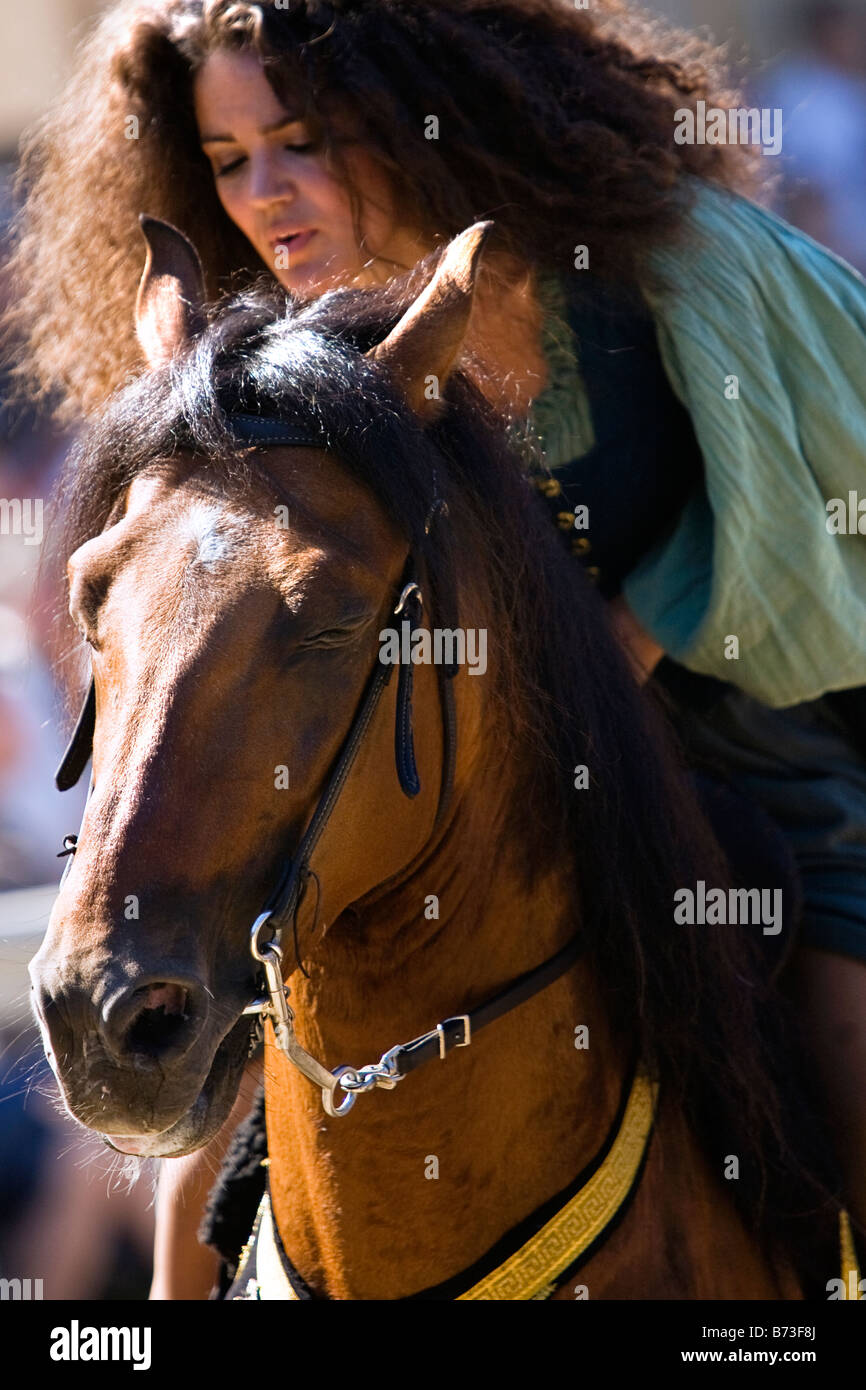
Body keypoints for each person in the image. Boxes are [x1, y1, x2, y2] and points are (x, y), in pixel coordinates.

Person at [5, 0, 866, 1297]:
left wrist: (635, 630)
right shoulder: (276, 358)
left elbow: (806, 488)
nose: (266, 193)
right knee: (217, 1122)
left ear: (418, 108)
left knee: (851, 1022)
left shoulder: (668, 264)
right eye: (230, 159)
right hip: (443, 781)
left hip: (733, 724)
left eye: (301, 138)